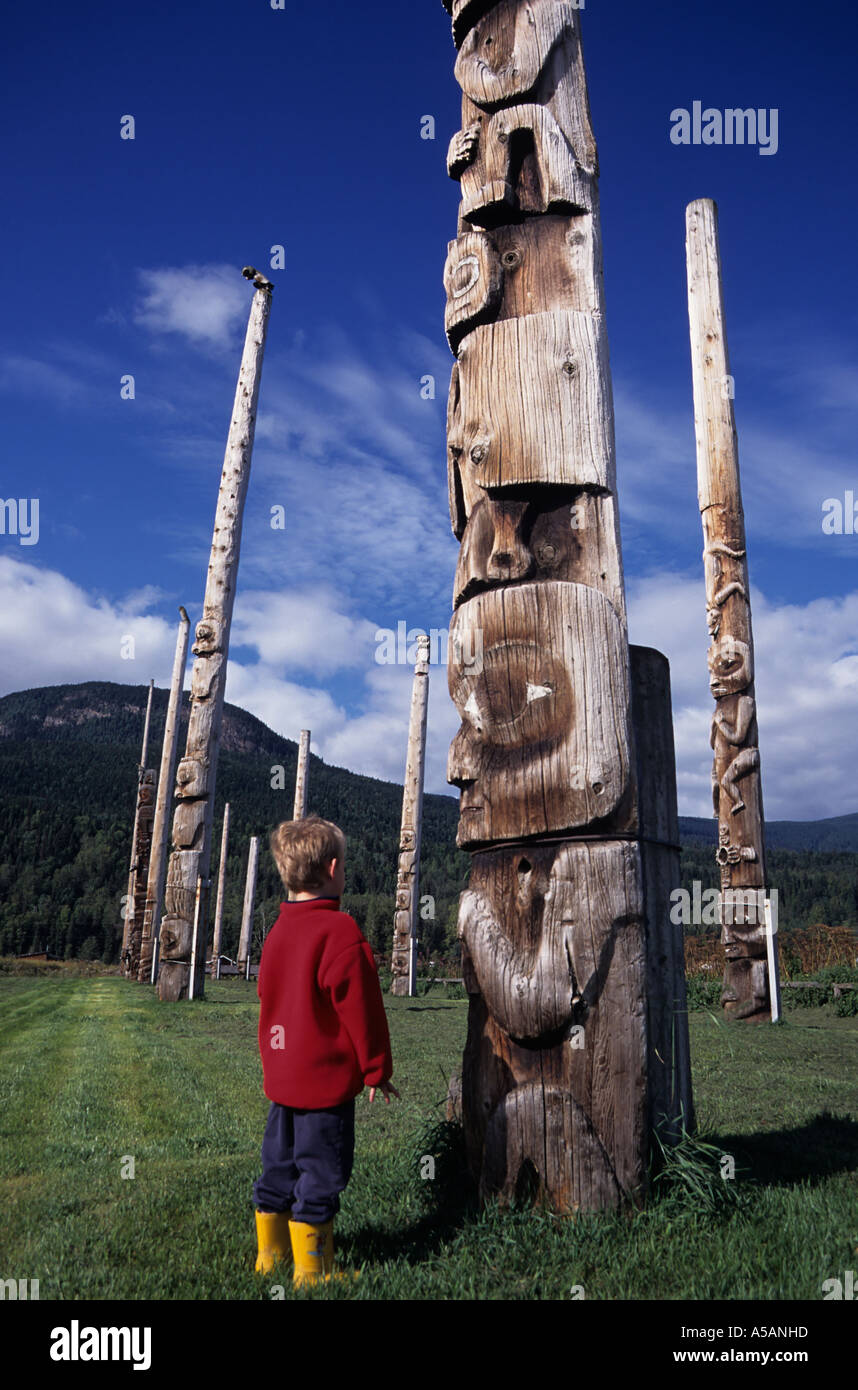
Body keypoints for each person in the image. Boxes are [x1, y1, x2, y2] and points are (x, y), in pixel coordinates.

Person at [252, 814, 399, 1285]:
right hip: (325, 1088)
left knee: (278, 1166)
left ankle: (269, 1256)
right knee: (322, 1172)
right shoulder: (340, 933)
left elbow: (268, 1001)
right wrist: (376, 1069)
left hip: (283, 1083)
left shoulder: (276, 934)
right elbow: (364, 1012)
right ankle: (313, 1273)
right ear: (334, 868)